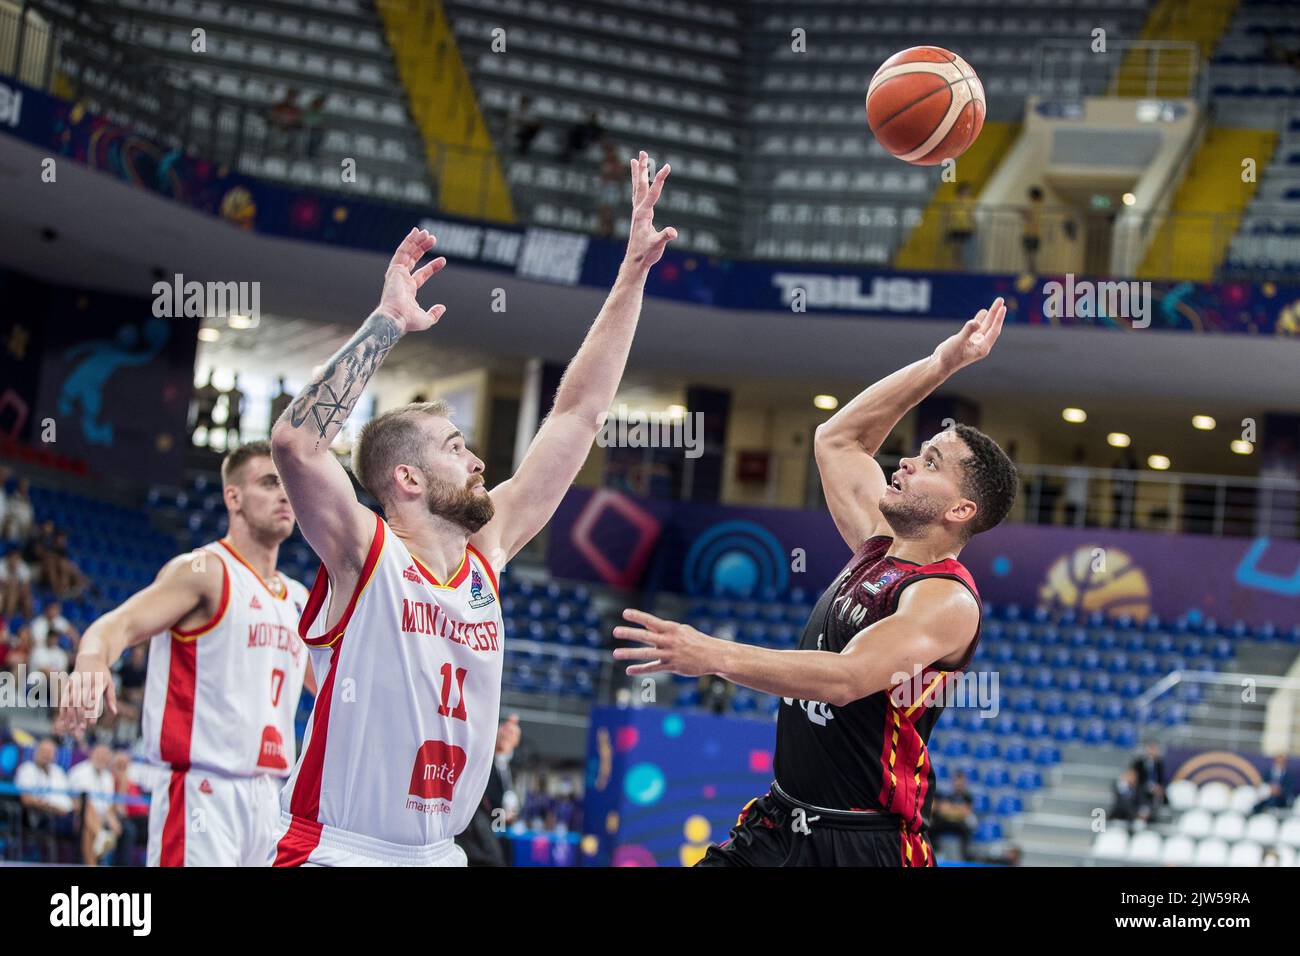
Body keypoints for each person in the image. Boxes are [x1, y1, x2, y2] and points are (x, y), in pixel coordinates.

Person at [267, 150, 675, 867]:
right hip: (341, 853)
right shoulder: (365, 552)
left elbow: (578, 415)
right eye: (457, 447)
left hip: (441, 852)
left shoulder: (486, 557)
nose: (481, 461)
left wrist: (631, 276)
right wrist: (388, 322)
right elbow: (296, 445)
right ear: (408, 480)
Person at [615, 298, 1018, 867]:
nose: (904, 463)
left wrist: (711, 653)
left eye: (929, 462)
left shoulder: (945, 599)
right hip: (780, 820)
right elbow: (837, 439)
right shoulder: (878, 545)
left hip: (864, 844)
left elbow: (848, 678)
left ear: (960, 511)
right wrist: (940, 362)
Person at [59, 441, 316, 866]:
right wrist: (91, 660)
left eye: (286, 483)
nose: (284, 494)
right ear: (233, 497)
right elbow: (117, 624)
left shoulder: (298, 598)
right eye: (269, 483)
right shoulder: (203, 571)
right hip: (202, 792)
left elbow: (332, 685)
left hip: (271, 797)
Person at [455, 715, 521, 866]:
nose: (508, 738)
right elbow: (484, 799)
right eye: (506, 732)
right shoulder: (484, 761)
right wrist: (500, 814)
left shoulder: (507, 768)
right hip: (475, 836)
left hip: (496, 832)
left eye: (513, 735)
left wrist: (507, 816)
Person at [15, 738, 75, 857]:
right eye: (43, 751)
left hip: (67, 814)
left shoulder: (58, 772)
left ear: (55, 756)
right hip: (41, 815)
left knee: (85, 816)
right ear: (36, 752)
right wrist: (53, 808)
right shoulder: (26, 769)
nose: (46, 755)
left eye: (49, 753)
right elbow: (26, 799)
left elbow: (70, 795)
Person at [68, 743, 121, 866]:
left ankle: (102, 839)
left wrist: (112, 819)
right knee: (88, 823)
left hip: (100, 817)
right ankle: (100, 837)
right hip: (76, 814)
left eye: (105, 756)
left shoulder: (108, 777)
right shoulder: (80, 771)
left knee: (125, 829)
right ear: (91, 754)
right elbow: (79, 801)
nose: (101, 758)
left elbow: (109, 804)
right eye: (99, 755)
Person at [930, 769, 977, 859]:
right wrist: (957, 810)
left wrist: (952, 810)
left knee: (966, 830)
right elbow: (943, 810)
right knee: (933, 826)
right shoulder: (950, 795)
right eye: (956, 781)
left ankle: (965, 856)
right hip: (947, 822)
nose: (958, 784)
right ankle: (934, 852)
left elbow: (966, 812)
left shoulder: (967, 796)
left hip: (960, 823)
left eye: (960, 781)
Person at [946, 182, 977, 270]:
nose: (966, 194)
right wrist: (948, 228)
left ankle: (963, 268)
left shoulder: (970, 202)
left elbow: (971, 216)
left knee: (965, 251)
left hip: (966, 229)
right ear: (960, 192)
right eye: (964, 192)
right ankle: (956, 267)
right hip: (955, 229)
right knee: (956, 251)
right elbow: (949, 216)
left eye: (968, 193)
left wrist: (974, 226)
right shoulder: (953, 202)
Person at [596, 140, 622, 237]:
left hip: (612, 188)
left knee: (608, 211)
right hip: (605, 187)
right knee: (603, 210)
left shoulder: (616, 163)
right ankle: (602, 230)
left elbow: (619, 177)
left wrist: (610, 176)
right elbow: (603, 175)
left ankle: (609, 231)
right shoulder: (605, 161)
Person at [1132, 741, 1165, 817]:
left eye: (1154, 749)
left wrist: (1158, 787)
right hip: (1141, 787)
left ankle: (1155, 814)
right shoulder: (1139, 762)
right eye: (1151, 749)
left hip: (1155, 787)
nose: (1152, 751)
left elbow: (1161, 779)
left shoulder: (1159, 763)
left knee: (1160, 793)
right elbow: (1135, 777)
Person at [0, 548, 34, 619]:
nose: (14, 560)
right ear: (8, 558)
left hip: (19, 592)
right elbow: (1, 585)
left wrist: (17, 590)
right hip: (4, 592)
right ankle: (8, 620)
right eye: (12, 557)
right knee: (10, 596)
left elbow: (26, 586)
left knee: (28, 599)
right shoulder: (2, 564)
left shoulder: (23, 566)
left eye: (16, 557)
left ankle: (28, 621)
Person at [190, 371, 221, 445]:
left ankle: (207, 444)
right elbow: (195, 395)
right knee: (196, 426)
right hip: (202, 411)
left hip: (208, 411)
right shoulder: (203, 389)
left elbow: (216, 398)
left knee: (209, 428)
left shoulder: (214, 390)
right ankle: (190, 441)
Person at [1062, 445, 1089, 527]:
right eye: (1077, 454)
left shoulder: (1086, 468)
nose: (1078, 456)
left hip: (1081, 499)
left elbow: (1087, 485)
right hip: (1070, 498)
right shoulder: (1070, 467)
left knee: (1079, 522)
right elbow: (1065, 480)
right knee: (1068, 520)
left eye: (1079, 454)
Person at [2, 478, 33, 544]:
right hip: (11, 533)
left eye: (26, 486)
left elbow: (30, 519)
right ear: (19, 486)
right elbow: (6, 516)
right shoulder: (11, 499)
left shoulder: (29, 503)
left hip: (23, 536)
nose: (25, 487)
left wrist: (29, 528)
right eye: (23, 485)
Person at [1022, 186, 1044, 274]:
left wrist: (1023, 213)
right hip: (1035, 234)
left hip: (1031, 233)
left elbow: (1031, 217)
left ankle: (1031, 272)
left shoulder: (1035, 205)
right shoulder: (1040, 206)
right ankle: (1032, 271)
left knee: (1029, 255)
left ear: (1034, 196)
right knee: (1032, 255)